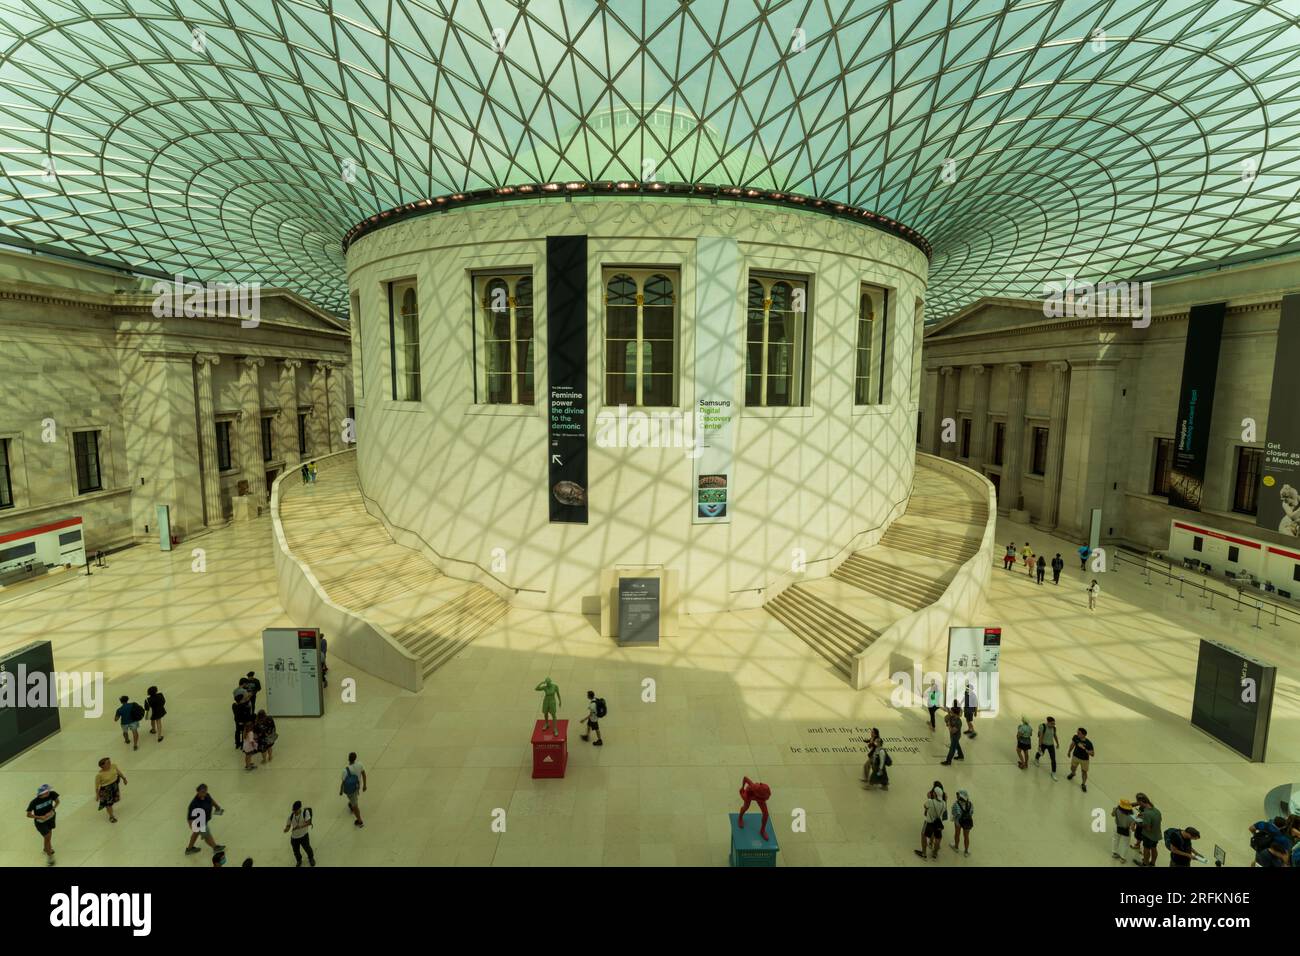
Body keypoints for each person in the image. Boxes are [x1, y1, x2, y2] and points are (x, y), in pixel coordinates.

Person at [184, 784, 226, 855]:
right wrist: (194, 827)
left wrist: (217, 807)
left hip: (203, 819)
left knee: (196, 834)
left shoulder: (207, 796)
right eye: (202, 792)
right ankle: (215, 847)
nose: (204, 793)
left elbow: (211, 801)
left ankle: (189, 849)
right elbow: (190, 818)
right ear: (198, 792)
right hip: (198, 822)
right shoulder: (195, 804)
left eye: (205, 791)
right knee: (206, 834)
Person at [26, 784, 59, 865]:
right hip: (40, 822)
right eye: (46, 792)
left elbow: (57, 801)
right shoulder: (34, 802)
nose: (48, 793)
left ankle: (46, 848)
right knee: (47, 836)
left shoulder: (52, 794)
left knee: (49, 834)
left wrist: (52, 810)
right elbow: (28, 814)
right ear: (41, 794)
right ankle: (50, 857)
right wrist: (40, 817)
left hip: (50, 818)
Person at [915, 782, 946, 860]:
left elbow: (925, 806)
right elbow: (943, 812)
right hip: (938, 823)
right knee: (938, 838)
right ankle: (935, 854)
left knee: (923, 835)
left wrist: (929, 798)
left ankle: (924, 854)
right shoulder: (944, 804)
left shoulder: (930, 801)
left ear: (935, 794)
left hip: (929, 822)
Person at [1133, 793, 1162, 867]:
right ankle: (1152, 863)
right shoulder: (1156, 811)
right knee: (1154, 848)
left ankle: (1145, 863)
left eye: (1139, 803)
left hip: (1148, 836)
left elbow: (1148, 828)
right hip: (1157, 834)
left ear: (1141, 802)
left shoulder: (1147, 814)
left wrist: (1138, 823)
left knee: (1146, 849)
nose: (1138, 804)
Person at [94, 757, 126, 823]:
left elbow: (118, 772)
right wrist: (97, 795)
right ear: (102, 766)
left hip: (114, 786)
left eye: (109, 762)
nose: (110, 763)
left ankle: (110, 810)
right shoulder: (99, 775)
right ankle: (111, 816)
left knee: (113, 801)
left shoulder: (113, 766)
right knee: (108, 804)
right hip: (106, 790)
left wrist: (124, 778)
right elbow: (97, 786)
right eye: (107, 763)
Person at [284, 800, 316, 867]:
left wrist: (300, 826)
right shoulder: (291, 816)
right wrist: (286, 829)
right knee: (296, 851)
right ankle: (299, 860)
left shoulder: (305, 812)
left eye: (296, 810)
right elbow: (288, 825)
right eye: (294, 810)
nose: (294, 812)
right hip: (294, 838)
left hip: (304, 835)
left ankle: (311, 858)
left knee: (307, 848)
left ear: (300, 808)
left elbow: (309, 822)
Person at [340, 752, 366, 828]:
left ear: (348, 759)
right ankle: (351, 803)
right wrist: (364, 785)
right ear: (355, 758)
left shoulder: (345, 770)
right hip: (357, 786)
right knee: (354, 797)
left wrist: (341, 791)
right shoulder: (360, 765)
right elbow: (364, 774)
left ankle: (360, 821)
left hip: (350, 790)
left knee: (355, 806)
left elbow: (343, 782)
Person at [1066, 727, 1095, 792]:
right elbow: (1072, 744)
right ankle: (1073, 773)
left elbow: (1092, 754)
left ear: (1084, 735)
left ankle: (1083, 784)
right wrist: (1069, 751)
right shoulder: (1075, 737)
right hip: (1075, 756)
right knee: (1072, 767)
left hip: (1084, 760)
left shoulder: (1088, 743)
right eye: (1077, 732)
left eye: (1079, 733)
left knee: (1084, 772)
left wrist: (1085, 750)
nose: (1077, 734)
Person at [1034, 716, 1058, 780]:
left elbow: (1055, 735)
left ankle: (1053, 772)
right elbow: (1041, 737)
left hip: (1051, 745)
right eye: (1052, 723)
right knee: (1041, 753)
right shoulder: (1043, 727)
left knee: (1053, 759)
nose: (1053, 725)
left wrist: (1057, 743)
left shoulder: (1054, 728)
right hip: (1043, 744)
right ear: (1048, 722)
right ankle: (1036, 759)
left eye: (1054, 723)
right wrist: (1039, 745)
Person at [950, 789, 973, 856]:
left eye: (958, 795)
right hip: (967, 822)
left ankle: (956, 847)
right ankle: (966, 851)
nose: (957, 796)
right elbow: (971, 812)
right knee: (966, 836)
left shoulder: (956, 804)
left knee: (957, 834)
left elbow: (954, 813)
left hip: (958, 822)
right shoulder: (970, 804)